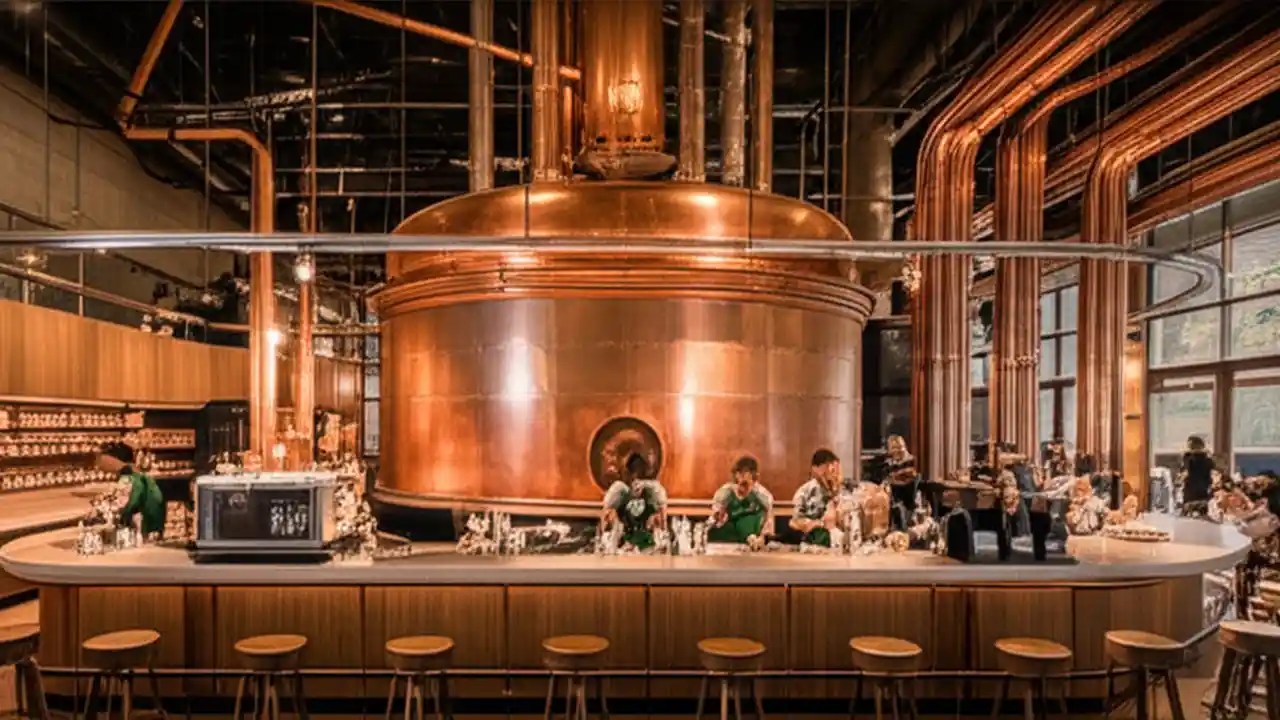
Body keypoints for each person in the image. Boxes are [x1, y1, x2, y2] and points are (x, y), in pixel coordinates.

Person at [97, 442, 165, 538]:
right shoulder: (136, 474)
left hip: (148, 522)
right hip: (153, 519)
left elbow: (131, 502)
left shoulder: (131, 477)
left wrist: (121, 514)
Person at [601, 453, 668, 550]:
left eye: (640, 472)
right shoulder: (619, 489)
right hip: (624, 539)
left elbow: (662, 508)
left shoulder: (653, 489)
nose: (636, 478)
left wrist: (662, 529)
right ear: (628, 473)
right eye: (633, 472)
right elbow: (606, 511)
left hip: (647, 541)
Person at [707, 455, 775, 548]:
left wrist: (762, 538)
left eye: (746, 482)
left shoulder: (763, 496)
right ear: (736, 476)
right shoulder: (725, 492)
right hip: (731, 536)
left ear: (754, 478)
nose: (743, 487)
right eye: (740, 475)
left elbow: (769, 521)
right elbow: (716, 519)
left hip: (755, 536)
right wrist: (717, 516)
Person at [790, 449, 843, 547]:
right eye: (827, 467)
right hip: (813, 543)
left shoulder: (841, 490)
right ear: (815, 468)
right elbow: (795, 522)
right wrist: (819, 523)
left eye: (834, 468)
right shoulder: (804, 491)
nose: (831, 472)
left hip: (838, 542)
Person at [881, 435, 918, 530]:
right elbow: (886, 480)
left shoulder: (911, 462)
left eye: (899, 447)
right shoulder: (888, 464)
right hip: (892, 501)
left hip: (908, 504)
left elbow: (908, 482)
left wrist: (891, 481)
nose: (896, 450)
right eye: (893, 448)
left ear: (904, 447)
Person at [1180, 435, 1215, 514]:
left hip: (1193, 494)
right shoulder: (1208, 460)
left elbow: (1184, 473)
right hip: (1201, 493)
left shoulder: (1189, 459)